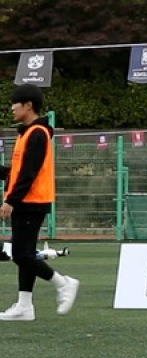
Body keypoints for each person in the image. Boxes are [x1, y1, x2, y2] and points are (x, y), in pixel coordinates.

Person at [0, 84, 79, 322]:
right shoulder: (27, 133)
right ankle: (25, 306)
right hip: (27, 201)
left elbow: (29, 173)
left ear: (28, 105)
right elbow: (17, 172)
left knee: (22, 255)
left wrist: (10, 201)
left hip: (30, 201)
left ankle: (63, 283)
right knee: (23, 253)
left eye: (14, 103)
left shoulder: (37, 134)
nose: (11, 108)